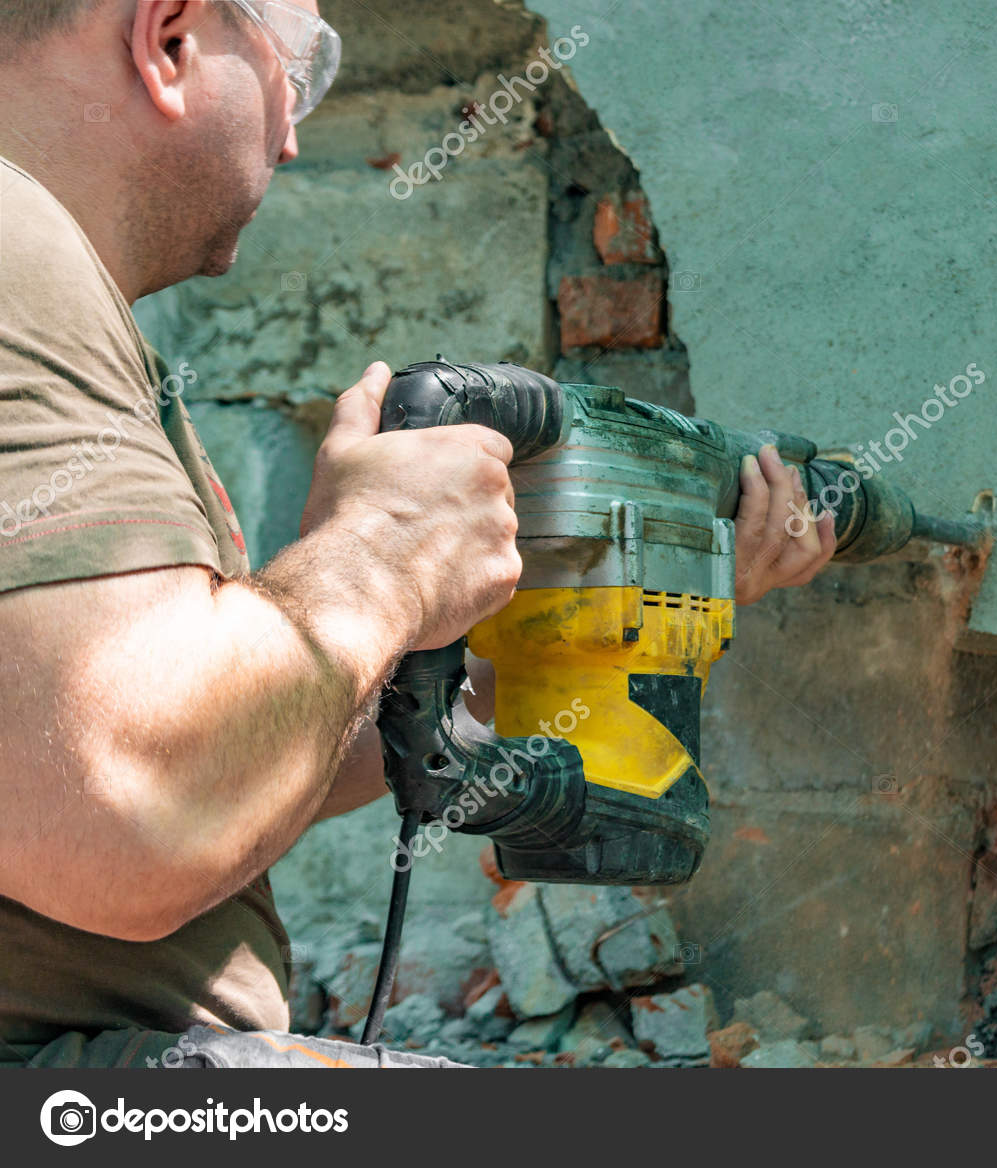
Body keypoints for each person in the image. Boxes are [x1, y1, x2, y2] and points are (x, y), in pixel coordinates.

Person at [0, 0, 835, 1068]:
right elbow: (136, 812)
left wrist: (556, 630)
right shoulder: (17, 255)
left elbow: (216, 759)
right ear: (167, 39)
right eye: (298, 68)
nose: (295, 134)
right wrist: (379, 554)